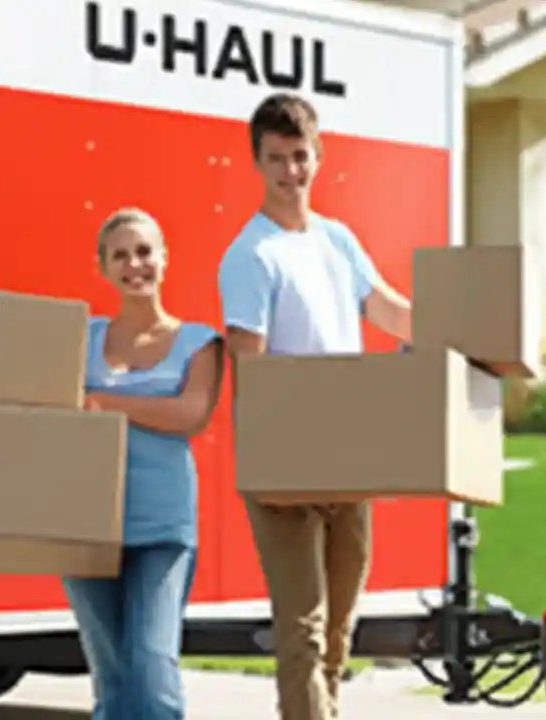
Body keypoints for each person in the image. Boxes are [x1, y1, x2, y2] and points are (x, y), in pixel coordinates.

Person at [216, 94, 414, 720]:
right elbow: (249, 365)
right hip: (287, 459)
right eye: (276, 159)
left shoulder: (337, 241)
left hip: (348, 456)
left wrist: (465, 333)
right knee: (301, 627)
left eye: (300, 157)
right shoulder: (250, 256)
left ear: (318, 156)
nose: (290, 171)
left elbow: (387, 310)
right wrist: (281, 456)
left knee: (337, 630)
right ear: (257, 163)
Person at [63, 207, 225, 719]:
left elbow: (189, 415)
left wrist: (104, 403)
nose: (135, 264)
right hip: (84, 524)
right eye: (120, 255)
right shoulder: (81, 338)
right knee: (112, 683)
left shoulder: (199, 343)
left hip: (161, 526)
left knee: (153, 674)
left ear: (164, 258)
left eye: (144, 251)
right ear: (103, 268)